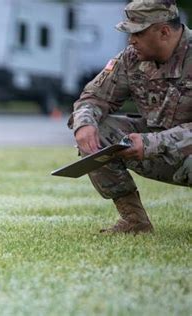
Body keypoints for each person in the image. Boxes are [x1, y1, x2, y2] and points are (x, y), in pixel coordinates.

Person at [69, 0, 191, 234]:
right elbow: (93, 98)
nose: (130, 40)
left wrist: (152, 143)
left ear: (164, 31)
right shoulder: (131, 59)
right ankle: (135, 221)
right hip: (160, 152)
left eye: (137, 32)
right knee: (100, 130)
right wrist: (84, 124)